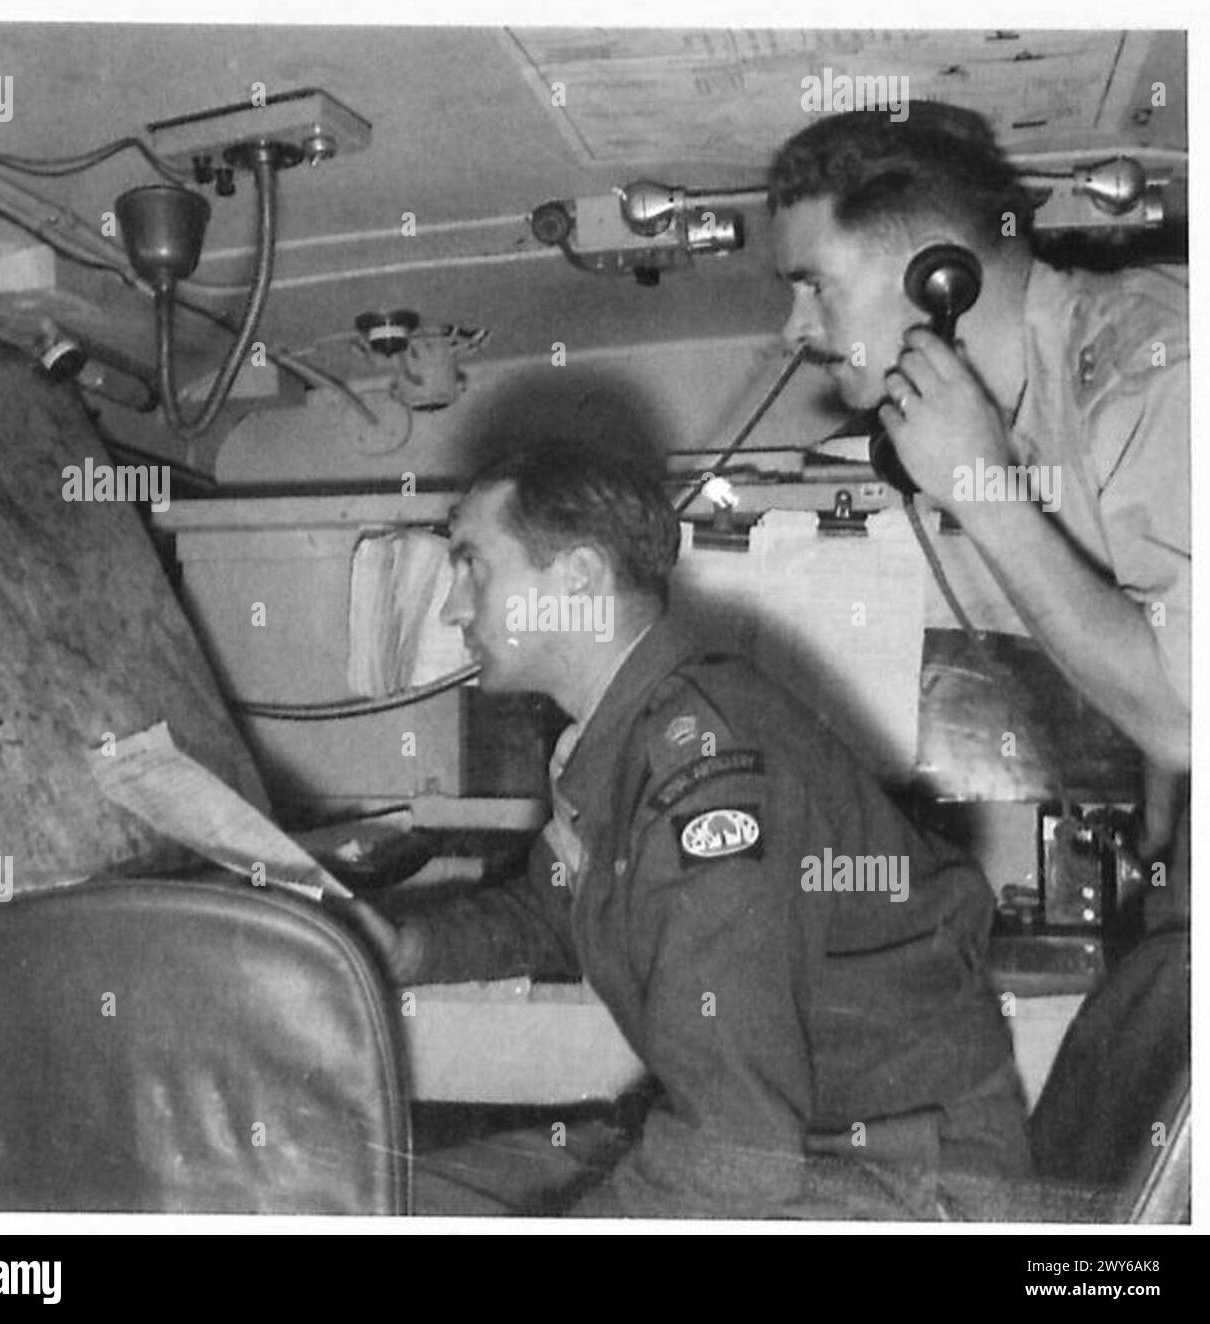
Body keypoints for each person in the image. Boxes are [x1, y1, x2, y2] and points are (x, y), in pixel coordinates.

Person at [365, 441, 1032, 1219]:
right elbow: (553, 907)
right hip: (805, 1150)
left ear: (577, 580)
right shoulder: (616, 740)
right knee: (387, 1194)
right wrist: (404, 950)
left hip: (898, 1180)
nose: (451, 606)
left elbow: (737, 1155)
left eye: (473, 565)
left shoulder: (711, 775)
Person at [766, 102, 1189, 1208]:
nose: (791, 329)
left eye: (814, 284)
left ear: (933, 279)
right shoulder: (1034, 410)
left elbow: (1191, 715)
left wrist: (977, 489)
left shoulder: (1152, 357)